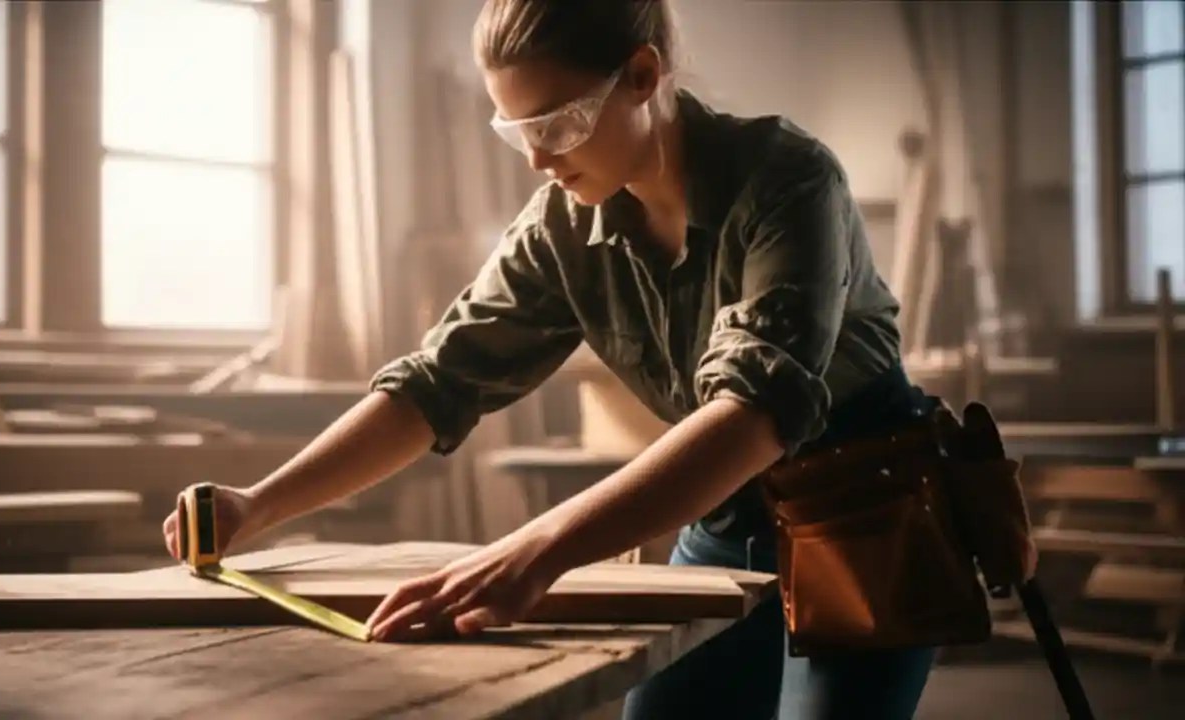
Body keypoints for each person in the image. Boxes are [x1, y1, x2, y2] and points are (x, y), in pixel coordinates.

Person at [164, 1, 938, 717]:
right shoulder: (564, 225)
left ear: (642, 77)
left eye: (557, 123)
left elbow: (754, 417)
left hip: (866, 504)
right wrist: (257, 504)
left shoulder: (788, 179)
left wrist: (535, 551)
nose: (536, 158)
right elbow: (436, 384)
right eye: (514, 129)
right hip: (724, 515)